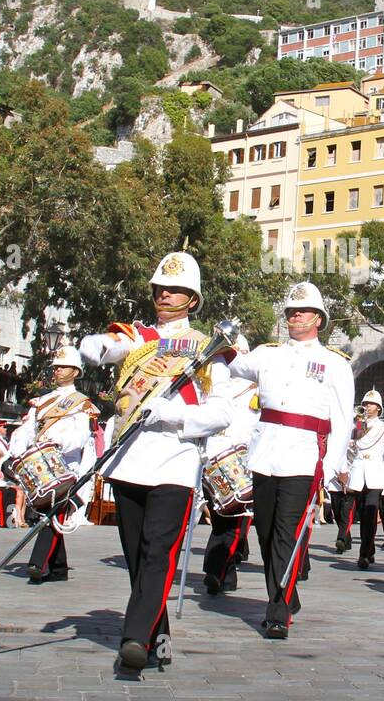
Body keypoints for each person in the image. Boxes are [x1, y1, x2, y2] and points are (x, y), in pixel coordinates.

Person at [79, 252, 232, 675]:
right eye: (160, 288)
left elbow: (221, 412)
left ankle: (133, 639)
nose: (165, 294)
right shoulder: (141, 336)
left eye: (176, 289)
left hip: (176, 459)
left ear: (193, 299)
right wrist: (95, 347)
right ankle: (157, 634)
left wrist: (174, 415)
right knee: (136, 557)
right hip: (130, 458)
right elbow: (115, 346)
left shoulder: (207, 347)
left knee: (156, 553)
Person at [229, 280, 354, 640]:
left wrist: (329, 466)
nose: (294, 315)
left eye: (302, 311)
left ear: (318, 318)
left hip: (303, 458)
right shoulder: (268, 354)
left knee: (286, 532)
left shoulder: (334, 364)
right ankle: (286, 590)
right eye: (290, 311)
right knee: (265, 531)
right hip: (265, 454)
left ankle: (277, 610)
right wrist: (221, 346)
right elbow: (235, 367)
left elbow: (343, 421)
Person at [11, 345, 101, 583]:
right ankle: (58, 568)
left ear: (75, 371)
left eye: (63, 366)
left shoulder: (82, 403)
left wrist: (56, 441)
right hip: (40, 464)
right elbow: (27, 429)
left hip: (66, 465)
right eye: (56, 367)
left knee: (51, 511)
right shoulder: (42, 401)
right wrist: (19, 447)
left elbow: (81, 436)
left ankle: (38, 564)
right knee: (48, 513)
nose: (57, 370)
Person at [200, 338, 260, 596]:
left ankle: (216, 569)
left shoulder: (257, 388)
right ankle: (226, 574)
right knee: (219, 520)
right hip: (211, 458)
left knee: (236, 521)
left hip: (242, 460)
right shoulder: (210, 384)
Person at [345, 390, 384, 571]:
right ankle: (369, 548)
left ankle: (363, 553)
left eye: (370, 404)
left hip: (374, 474)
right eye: (365, 404)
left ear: (378, 408)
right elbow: (350, 445)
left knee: (370, 514)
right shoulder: (356, 426)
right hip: (358, 474)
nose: (366, 407)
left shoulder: (383, 426)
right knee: (362, 513)